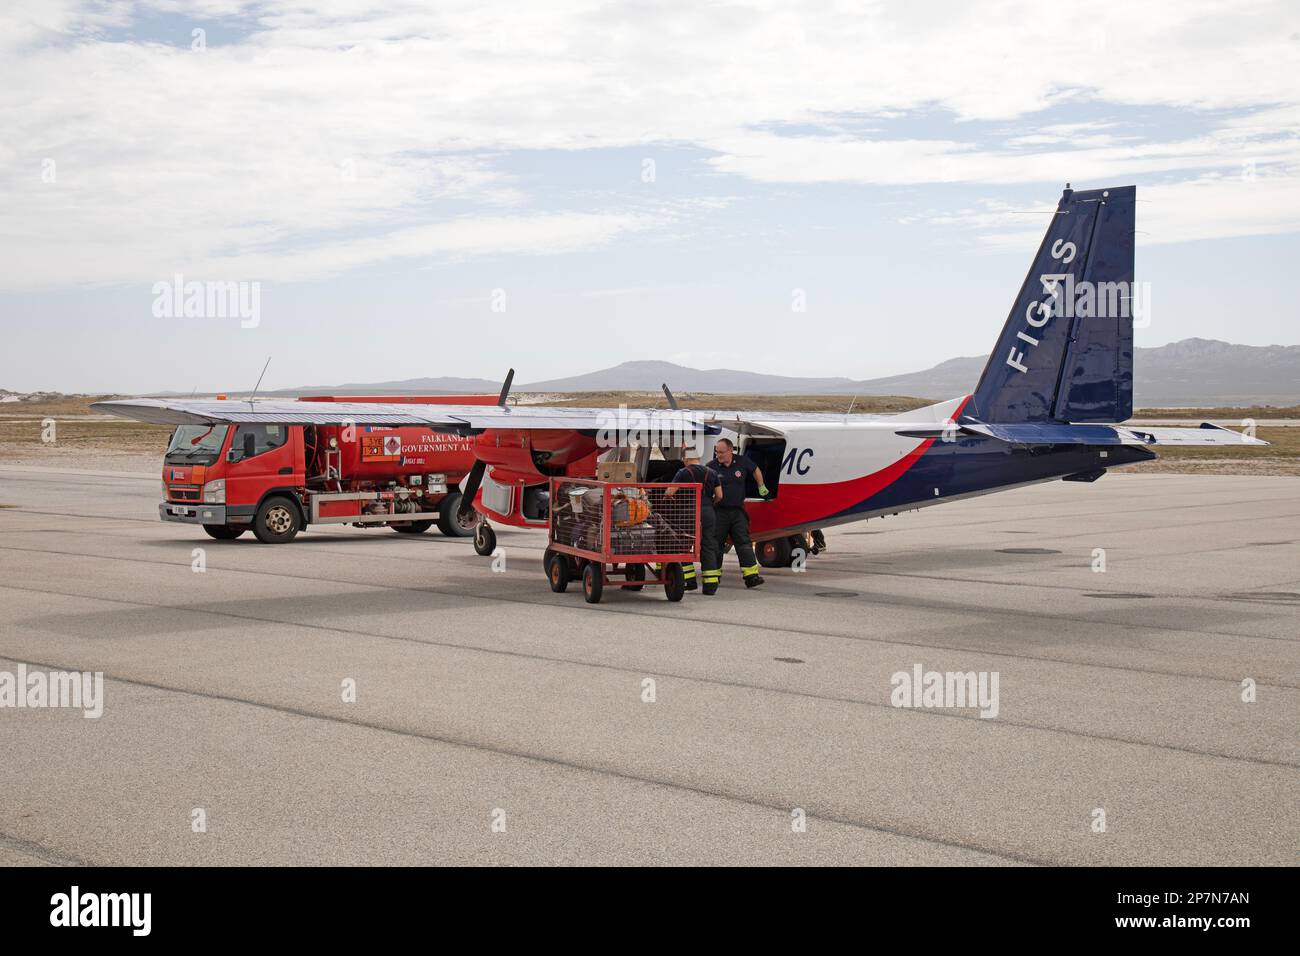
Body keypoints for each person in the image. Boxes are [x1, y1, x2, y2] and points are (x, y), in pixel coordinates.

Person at [707, 437, 768, 589]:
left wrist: (761, 486)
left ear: (730, 451)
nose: (718, 455)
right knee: (716, 545)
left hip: (738, 512)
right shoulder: (711, 467)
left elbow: (756, 470)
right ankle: (714, 577)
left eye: (721, 452)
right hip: (719, 512)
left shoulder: (742, 462)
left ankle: (751, 577)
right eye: (716, 452)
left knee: (744, 543)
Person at [666, 449, 722, 594]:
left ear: (685, 459)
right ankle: (710, 586)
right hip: (708, 512)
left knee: (683, 545)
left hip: (688, 512)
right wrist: (709, 505)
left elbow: (670, 492)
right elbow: (720, 496)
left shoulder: (683, 472)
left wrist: (669, 497)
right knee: (708, 545)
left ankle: (689, 581)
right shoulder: (712, 472)